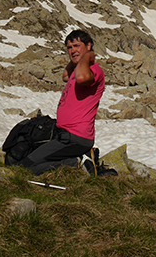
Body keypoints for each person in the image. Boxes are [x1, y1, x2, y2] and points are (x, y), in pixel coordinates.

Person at [19, 30, 105, 174]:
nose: (72, 50)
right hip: (66, 135)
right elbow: (65, 76)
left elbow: (83, 78)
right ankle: (79, 160)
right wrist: (78, 57)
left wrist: (88, 56)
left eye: (77, 46)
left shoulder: (94, 70)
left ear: (88, 45)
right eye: (69, 48)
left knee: (26, 167)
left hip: (76, 137)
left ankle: (78, 164)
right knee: (29, 158)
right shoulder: (77, 70)